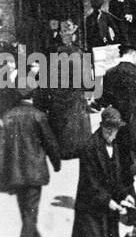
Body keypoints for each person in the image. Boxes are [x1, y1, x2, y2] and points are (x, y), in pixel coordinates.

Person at [69, 106, 136, 237]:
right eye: (108, 129)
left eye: (115, 130)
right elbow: (90, 182)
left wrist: (125, 195)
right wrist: (109, 202)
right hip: (90, 207)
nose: (112, 133)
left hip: (106, 207)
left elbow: (115, 177)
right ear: (102, 126)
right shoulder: (90, 146)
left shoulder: (114, 145)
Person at [1, 84, 62, 237]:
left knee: (25, 208)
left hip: (14, 172)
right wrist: (56, 162)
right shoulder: (39, 116)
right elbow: (50, 141)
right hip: (34, 171)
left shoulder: (7, 117)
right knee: (31, 211)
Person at [34, 20, 94, 160]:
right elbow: (88, 83)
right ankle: (79, 150)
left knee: (60, 124)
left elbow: (42, 79)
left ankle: (61, 150)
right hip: (75, 99)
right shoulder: (79, 53)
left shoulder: (53, 54)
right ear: (73, 37)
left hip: (57, 99)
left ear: (61, 36)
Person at [98, 44, 136, 169]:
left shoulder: (110, 73)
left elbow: (103, 101)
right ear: (132, 53)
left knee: (120, 163)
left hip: (118, 125)